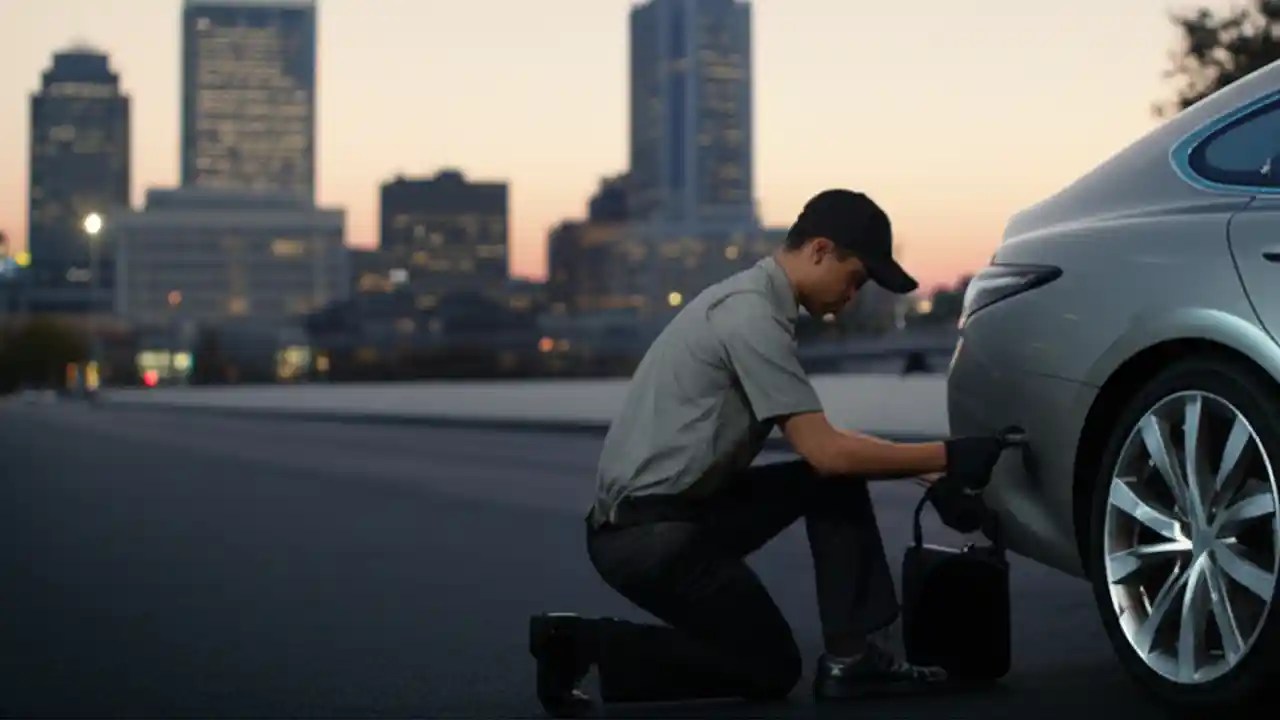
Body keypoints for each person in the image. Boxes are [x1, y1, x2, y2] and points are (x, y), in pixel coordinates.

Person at [528, 189, 1007, 717]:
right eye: (855, 278)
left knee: (826, 481)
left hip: (677, 514)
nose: (853, 295)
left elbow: (826, 446)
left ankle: (854, 659)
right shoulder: (750, 317)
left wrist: (934, 475)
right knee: (770, 668)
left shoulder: (754, 303)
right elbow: (827, 451)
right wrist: (949, 456)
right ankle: (580, 644)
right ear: (820, 250)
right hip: (650, 538)